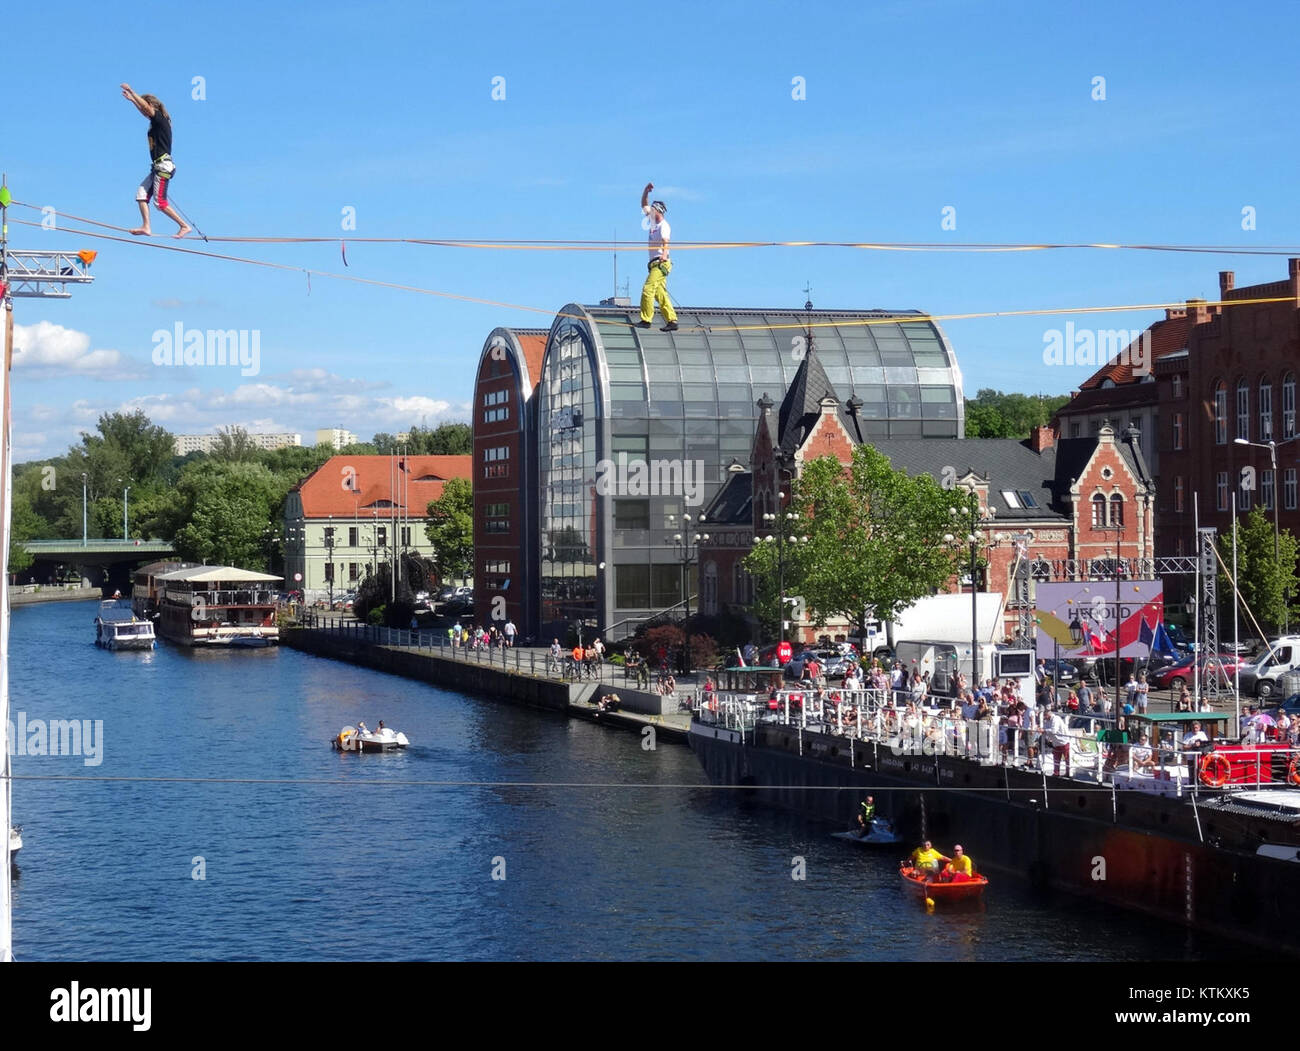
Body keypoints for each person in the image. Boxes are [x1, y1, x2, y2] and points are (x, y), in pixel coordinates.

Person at [120, 84, 191, 238]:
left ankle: (184, 226)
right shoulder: (155, 122)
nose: (144, 113)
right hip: (157, 167)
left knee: (159, 203)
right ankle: (146, 226)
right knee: (141, 194)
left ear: (151, 106)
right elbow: (143, 109)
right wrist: (132, 100)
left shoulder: (160, 118)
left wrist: (133, 92)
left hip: (164, 166)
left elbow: (145, 108)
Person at [636, 182, 677, 331]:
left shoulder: (663, 226)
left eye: (653, 210)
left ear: (658, 211)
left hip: (660, 263)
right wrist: (646, 191)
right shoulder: (653, 222)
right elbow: (643, 204)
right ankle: (672, 320)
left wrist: (664, 256)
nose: (650, 212)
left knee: (648, 289)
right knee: (660, 294)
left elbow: (666, 243)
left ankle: (646, 319)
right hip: (654, 264)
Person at [1044, 706, 1071, 777]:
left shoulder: (1056, 719)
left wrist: (1044, 731)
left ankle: (1068, 773)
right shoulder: (1047, 721)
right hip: (1056, 742)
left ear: (1048, 714)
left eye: (1045, 715)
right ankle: (1056, 773)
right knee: (1056, 759)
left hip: (1064, 741)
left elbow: (1054, 731)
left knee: (1067, 758)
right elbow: (1046, 729)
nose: (1044, 717)